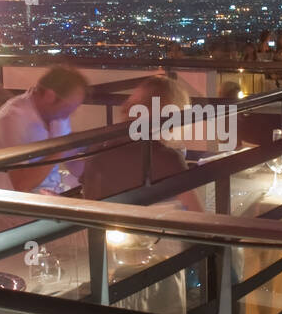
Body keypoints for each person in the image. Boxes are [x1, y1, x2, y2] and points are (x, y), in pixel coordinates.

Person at [83, 75, 201, 212]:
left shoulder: (97, 152)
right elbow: (199, 218)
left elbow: (89, 210)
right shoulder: (166, 158)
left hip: (103, 230)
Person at [0, 65, 88, 192]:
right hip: (17, 203)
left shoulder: (57, 114)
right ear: (50, 96)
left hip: (51, 194)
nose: (71, 113)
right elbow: (22, 185)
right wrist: (60, 149)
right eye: (68, 107)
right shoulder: (12, 119)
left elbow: (69, 159)